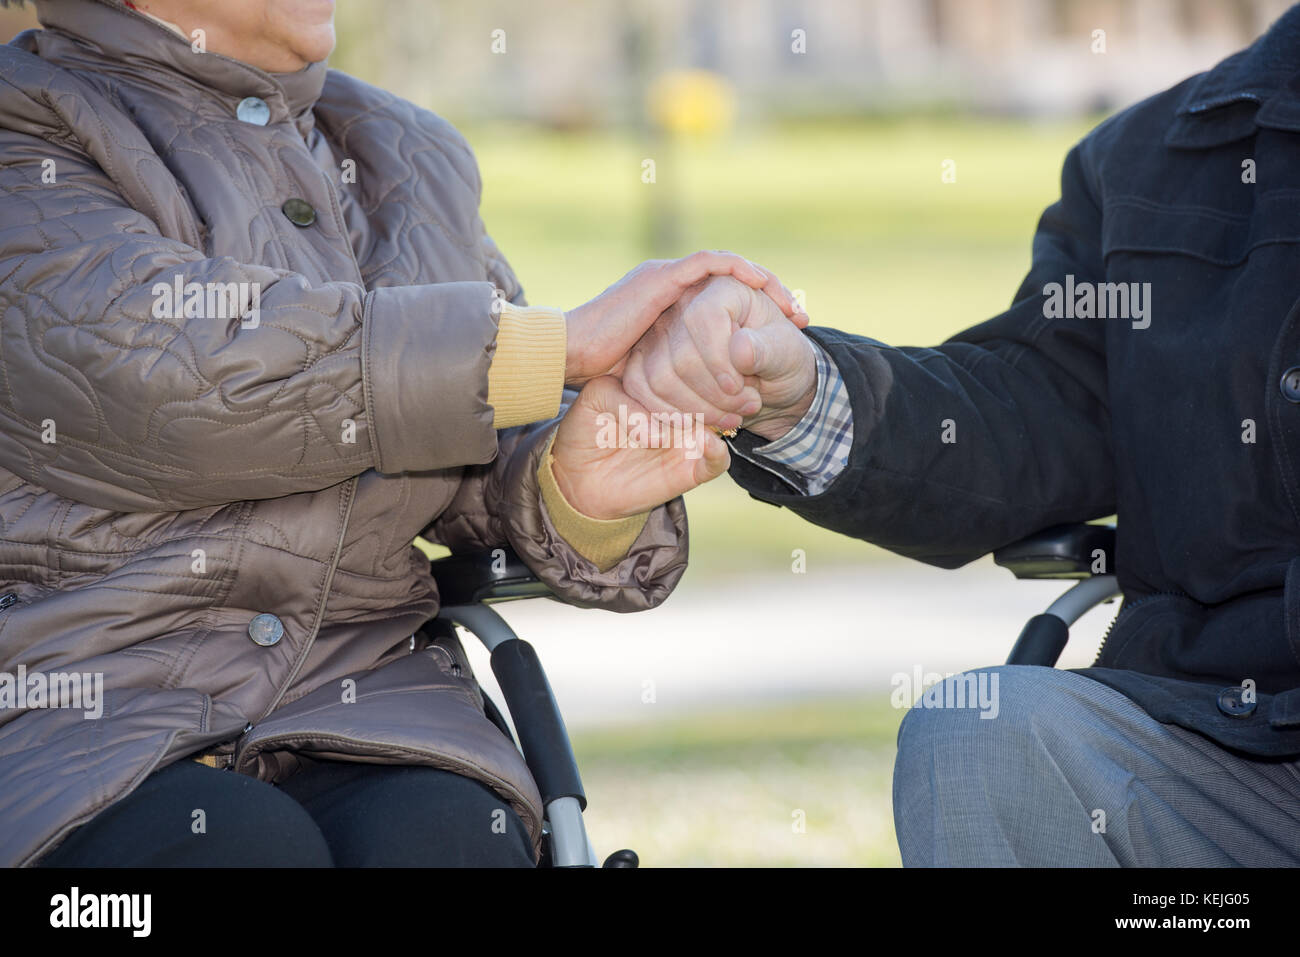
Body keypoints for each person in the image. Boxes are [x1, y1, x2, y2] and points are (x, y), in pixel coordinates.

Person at [0, 0, 804, 867]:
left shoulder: (405, 154)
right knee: (237, 850)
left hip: (374, 701)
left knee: (453, 842)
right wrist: (553, 348)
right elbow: (174, 379)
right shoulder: (27, 125)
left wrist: (574, 483)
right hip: (89, 713)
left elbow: (486, 437)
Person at [626, 8, 1300, 866]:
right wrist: (792, 388)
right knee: (976, 734)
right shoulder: (1155, 164)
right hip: (1243, 757)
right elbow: (1027, 409)